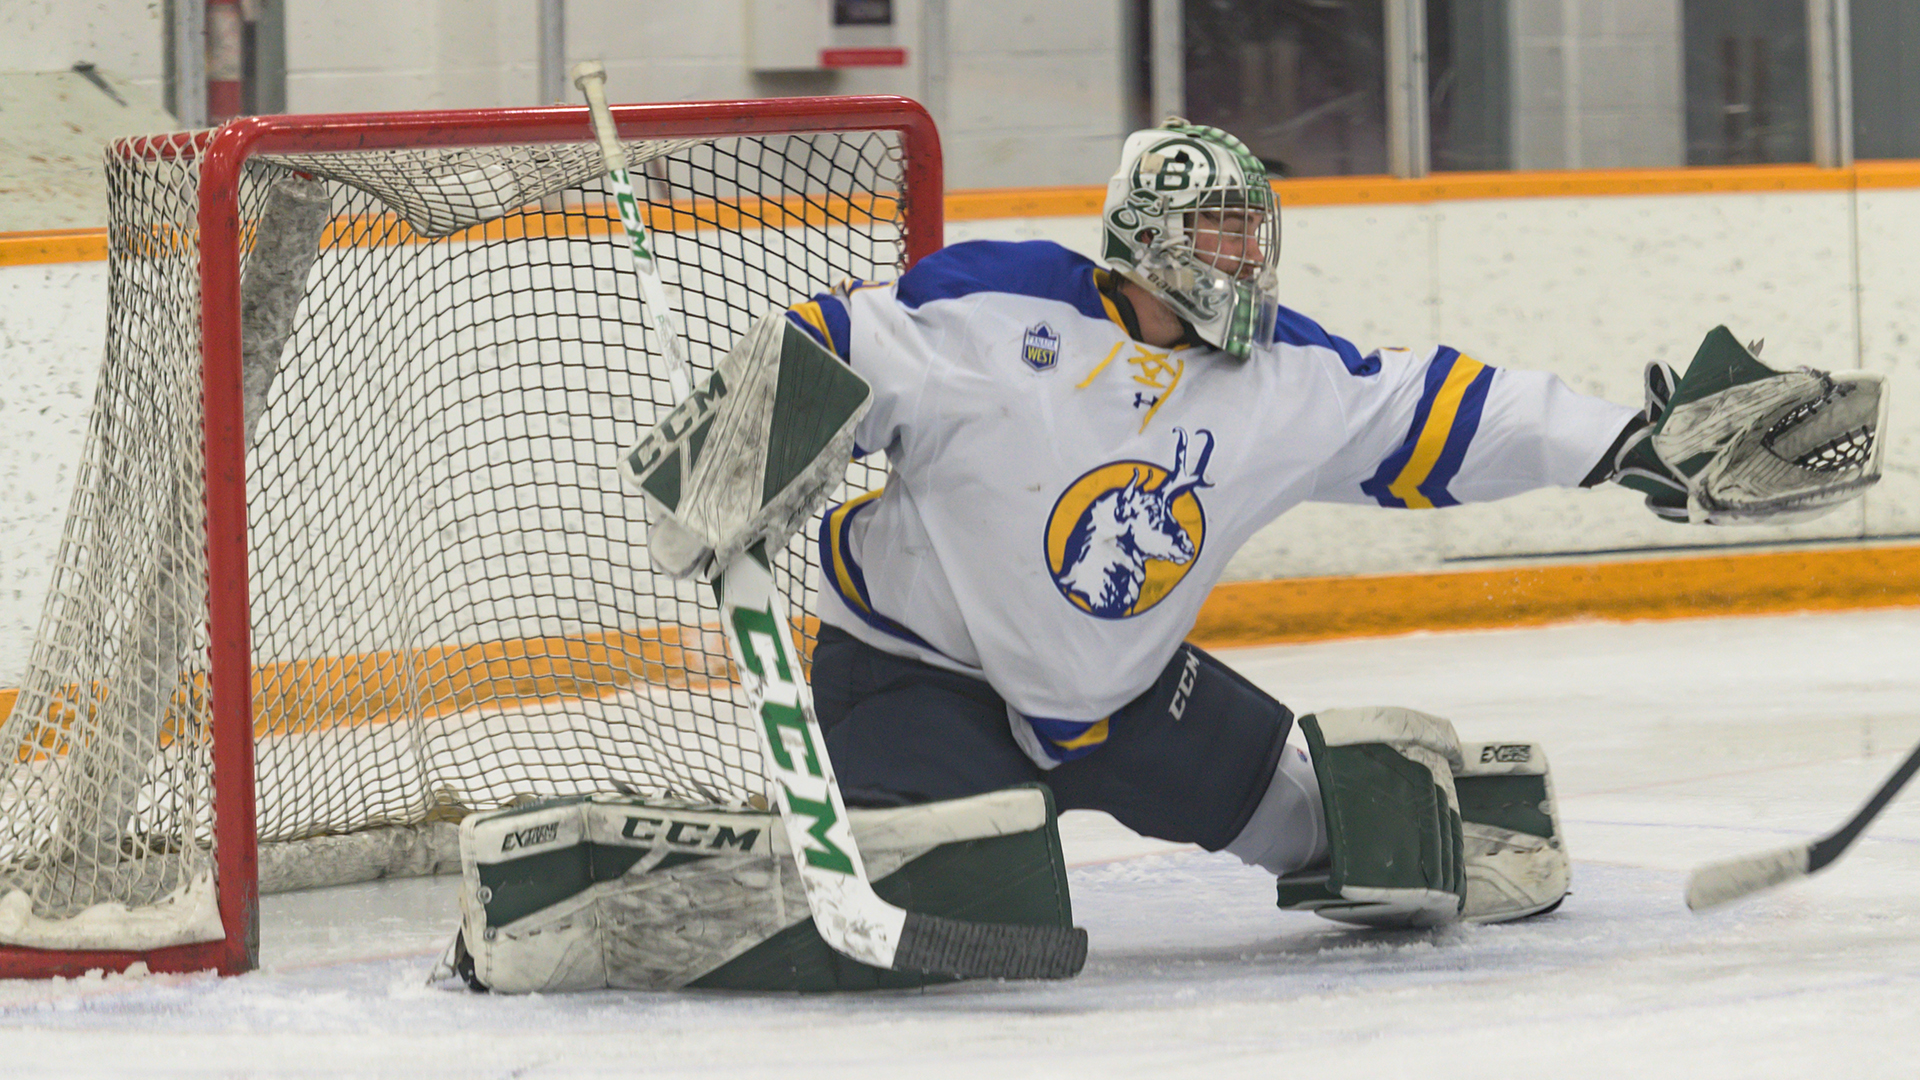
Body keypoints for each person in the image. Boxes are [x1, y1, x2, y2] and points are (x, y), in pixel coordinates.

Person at [677, 119, 1880, 931]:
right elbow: (841, 342)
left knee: (1337, 842)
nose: (1245, 263)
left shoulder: (1285, 377)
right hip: (914, 675)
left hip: (1125, 704)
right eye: (1219, 237)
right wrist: (735, 452)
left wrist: (1631, 444)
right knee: (961, 898)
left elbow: (1453, 412)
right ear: (1146, 233)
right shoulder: (1003, 311)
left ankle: (1423, 800)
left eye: (1255, 238)